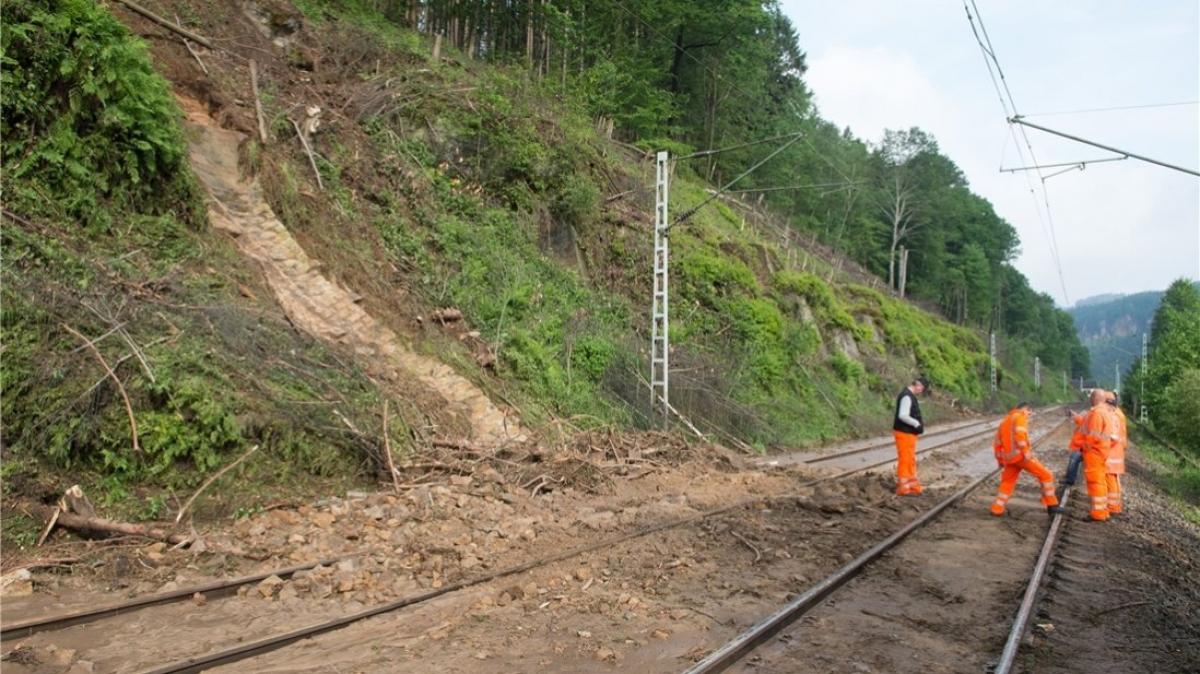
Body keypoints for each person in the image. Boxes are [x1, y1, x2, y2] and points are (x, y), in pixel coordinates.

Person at [989, 402, 1064, 516]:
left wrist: (1000, 460)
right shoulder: (1020, 417)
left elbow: (997, 444)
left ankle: (997, 508)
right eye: (1030, 412)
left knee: (1007, 482)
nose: (1029, 415)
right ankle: (1052, 506)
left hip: (1009, 459)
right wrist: (1026, 452)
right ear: (1026, 409)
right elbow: (1020, 436)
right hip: (1021, 457)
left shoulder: (1005, 420)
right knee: (1046, 475)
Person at [1080, 388, 1119, 522]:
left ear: (1096, 398)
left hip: (1094, 452)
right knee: (1100, 481)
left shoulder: (1097, 413)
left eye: (1092, 396)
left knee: (1095, 482)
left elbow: (1093, 435)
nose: (1090, 398)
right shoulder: (1105, 413)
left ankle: (1098, 513)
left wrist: (1085, 447)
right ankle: (1102, 511)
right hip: (1102, 451)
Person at [893, 376, 929, 495]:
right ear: (918, 385)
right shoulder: (906, 396)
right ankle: (904, 488)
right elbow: (903, 415)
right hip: (904, 433)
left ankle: (913, 487)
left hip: (909, 433)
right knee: (905, 459)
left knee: (910, 459)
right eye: (922, 389)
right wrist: (916, 423)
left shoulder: (909, 396)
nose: (921, 391)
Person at [1104, 394, 1128, 515]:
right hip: (1117, 450)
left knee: (1111, 478)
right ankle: (1115, 505)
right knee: (1114, 478)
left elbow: (1112, 436)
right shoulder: (1118, 413)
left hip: (1113, 452)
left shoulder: (1114, 415)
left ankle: (1113, 506)